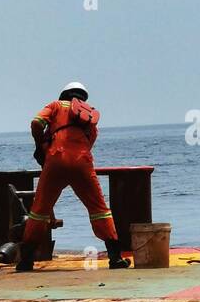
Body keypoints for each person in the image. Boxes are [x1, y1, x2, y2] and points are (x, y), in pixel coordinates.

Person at [17, 80, 128, 271]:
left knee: (39, 210)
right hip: (82, 162)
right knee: (99, 208)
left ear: (64, 94)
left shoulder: (55, 105)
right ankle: (115, 257)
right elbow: (90, 140)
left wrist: (40, 144)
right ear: (83, 98)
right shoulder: (88, 115)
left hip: (55, 161)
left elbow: (36, 123)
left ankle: (26, 261)